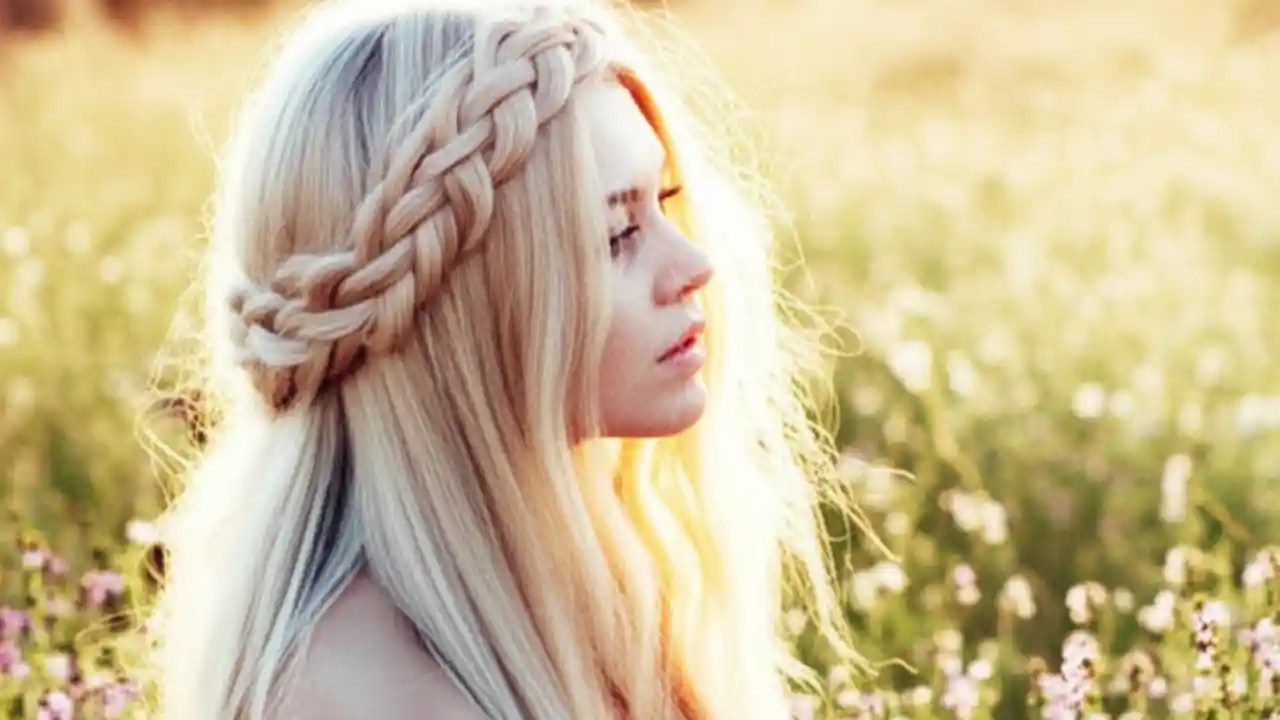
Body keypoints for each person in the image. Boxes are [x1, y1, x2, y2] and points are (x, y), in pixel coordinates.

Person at [146, 0, 862, 718]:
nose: (693, 265)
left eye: (664, 202)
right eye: (616, 234)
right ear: (463, 312)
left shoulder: (554, 578)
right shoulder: (382, 696)